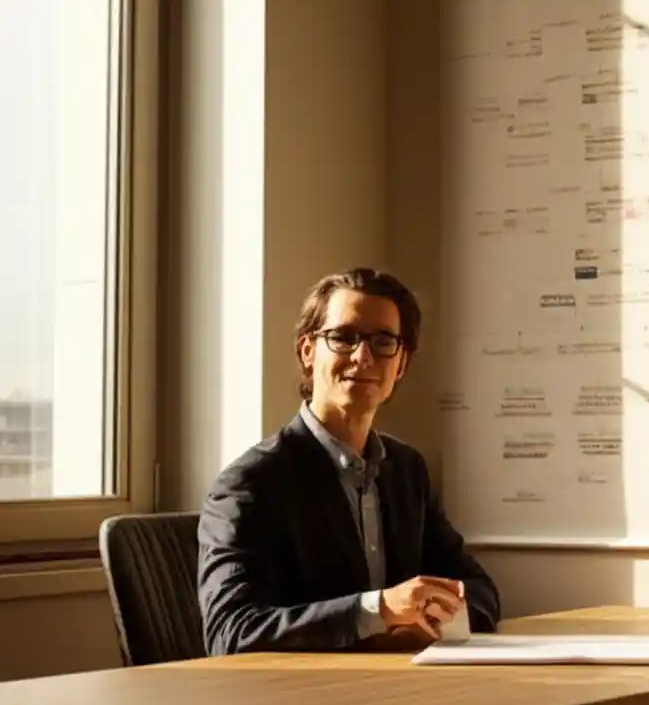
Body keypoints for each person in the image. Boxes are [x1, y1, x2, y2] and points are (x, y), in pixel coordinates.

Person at [197, 267, 500, 655]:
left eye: (383, 341)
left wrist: (433, 624)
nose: (363, 356)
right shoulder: (251, 483)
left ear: (402, 363)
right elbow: (232, 633)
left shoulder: (406, 470)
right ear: (308, 352)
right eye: (343, 338)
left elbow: (479, 591)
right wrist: (378, 611)